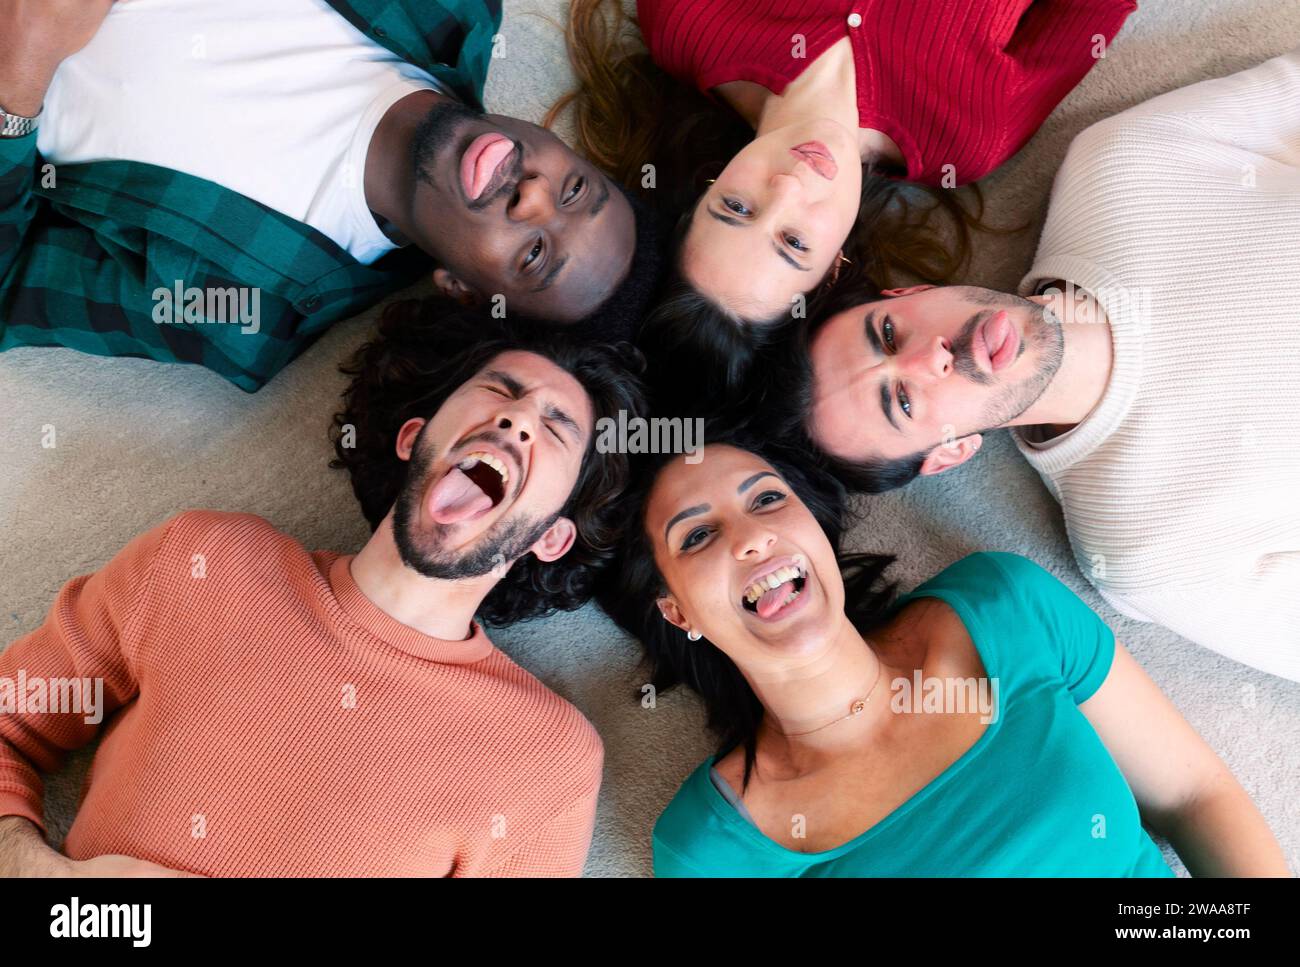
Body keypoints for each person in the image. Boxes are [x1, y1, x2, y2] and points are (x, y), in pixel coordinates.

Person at [0, 309, 649, 876]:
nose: (516, 418)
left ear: (551, 538)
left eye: (556, 427)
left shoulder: (547, 758)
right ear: (411, 437)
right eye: (499, 391)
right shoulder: (204, 559)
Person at [789, 47, 1300, 682]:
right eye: (905, 402)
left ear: (907, 295)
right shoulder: (1141, 550)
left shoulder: (1117, 167)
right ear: (949, 453)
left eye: (889, 335)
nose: (931, 356)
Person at [598, 436, 1289, 876]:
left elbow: (1195, 796)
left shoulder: (1005, 604)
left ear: (813, 524)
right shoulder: (712, 848)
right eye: (698, 537)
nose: (752, 539)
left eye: (768, 499)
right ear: (676, 610)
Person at [0, 0, 664, 392]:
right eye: (576, 189)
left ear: (461, 289)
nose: (535, 199)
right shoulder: (453, 9)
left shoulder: (248, 309)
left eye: (534, 255)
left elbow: (11, 290)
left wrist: (21, 72)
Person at [556, 0, 1135, 408]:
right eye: (794, 243)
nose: (788, 186)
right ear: (836, 264)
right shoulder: (969, 135)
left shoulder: (685, 19)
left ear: (709, 183)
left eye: (736, 208)